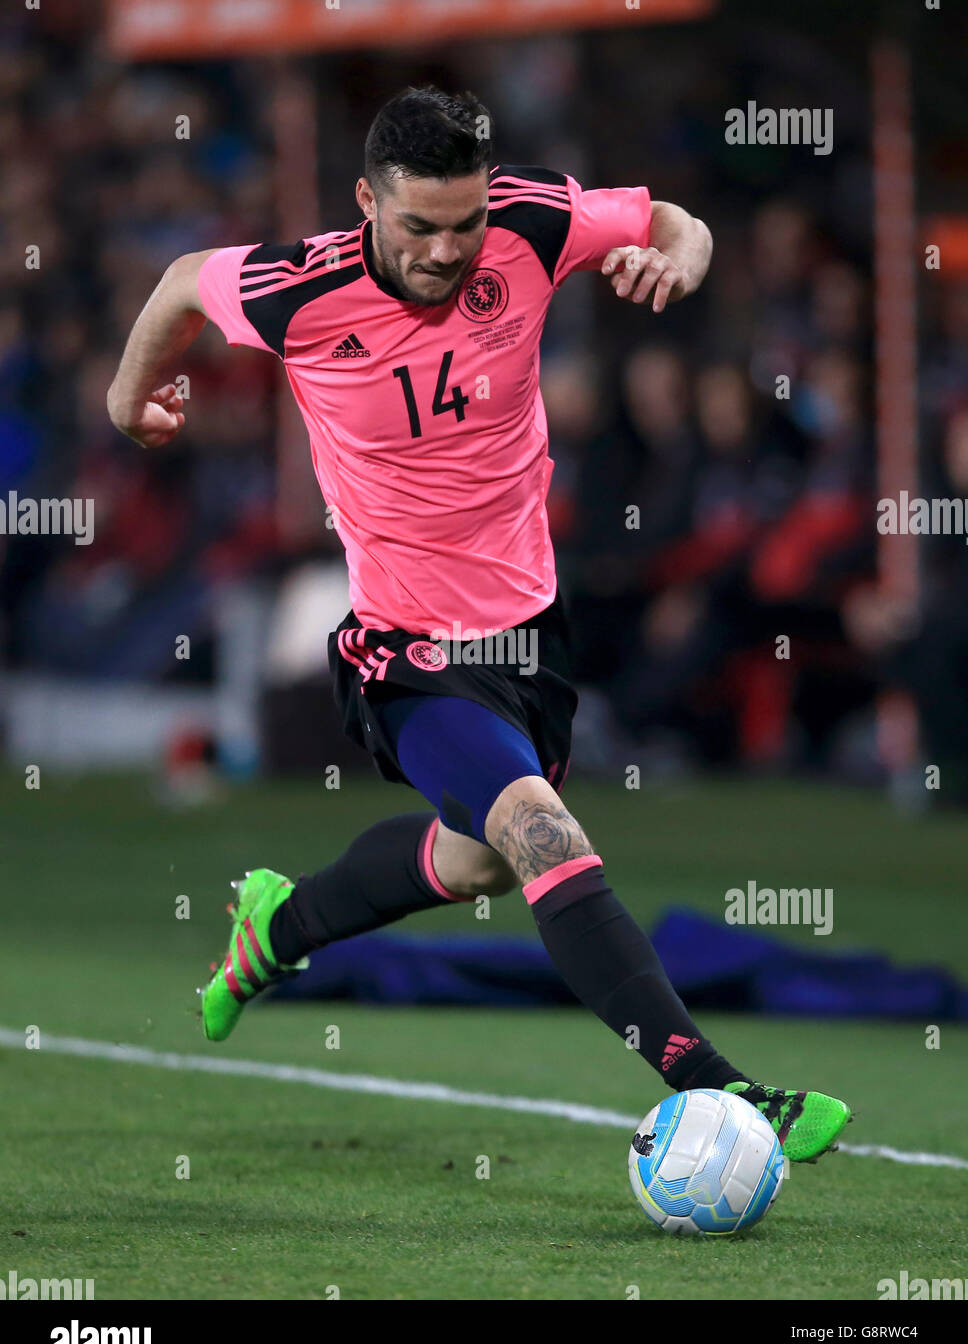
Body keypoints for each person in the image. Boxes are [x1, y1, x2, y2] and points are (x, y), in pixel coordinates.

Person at [107, 85, 851, 1162]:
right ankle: (724, 1089)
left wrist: (680, 256)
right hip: (403, 654)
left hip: (529, 641)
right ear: (366, 201)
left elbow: (664, 222)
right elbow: (181, 283)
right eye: (418, 226)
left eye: (464, 223)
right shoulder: (297, 290)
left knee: (475, 865)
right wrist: (134, 397)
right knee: (543, 834)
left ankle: (276, 925)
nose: (447, 250)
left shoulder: (531, 224)